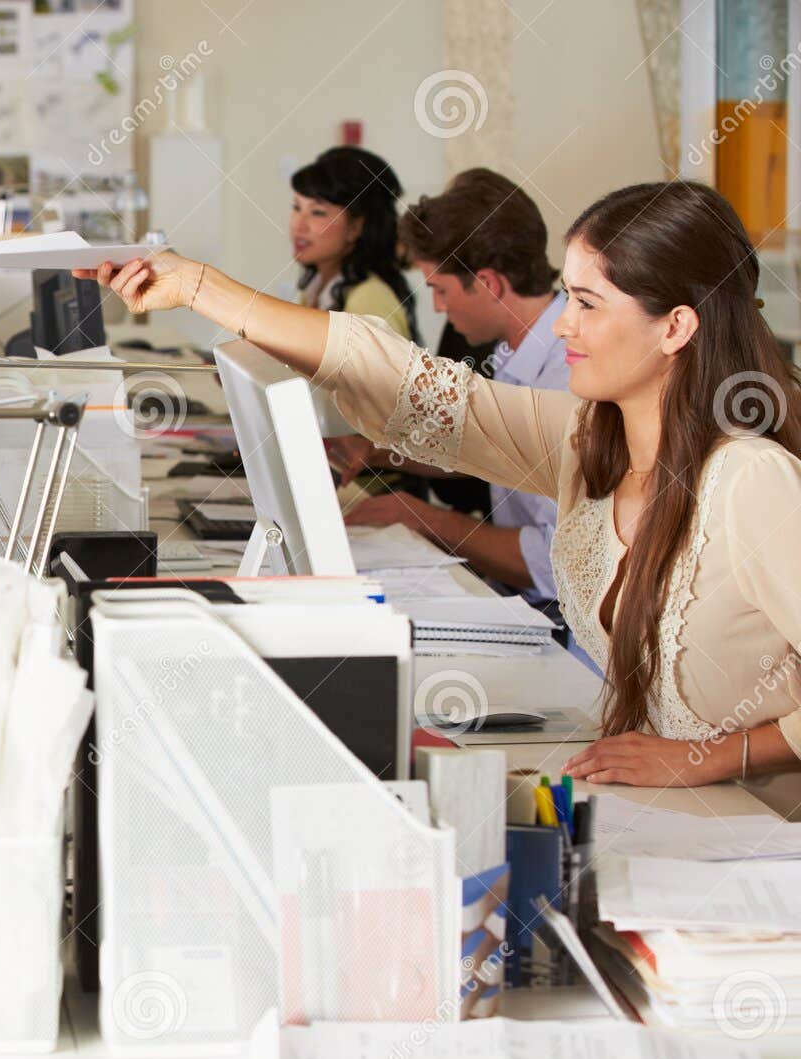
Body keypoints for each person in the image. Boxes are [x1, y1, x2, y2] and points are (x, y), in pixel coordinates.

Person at [80, 181, 801, 792]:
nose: (566, 327)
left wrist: (701, 760)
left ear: (675, 326)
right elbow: (409, 385)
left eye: (587, 303)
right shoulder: (589, 441)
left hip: (761, 839)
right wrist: (199, 288)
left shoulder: (748, 479)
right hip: (662, 817)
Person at [332, 168, 569, 605]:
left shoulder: (567, 375)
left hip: (555, 618)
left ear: (489, 284)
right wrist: (379, 450)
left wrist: (426, 519)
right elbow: (496, 448)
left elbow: (557, 564)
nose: (439, 308)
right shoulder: (521, 348)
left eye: (440, 290)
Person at [289, 146, 416, 341]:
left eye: (317, 212)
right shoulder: (315, 288)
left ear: (355, 227)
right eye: (297, 207)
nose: (299, 225)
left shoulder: (370, 302)